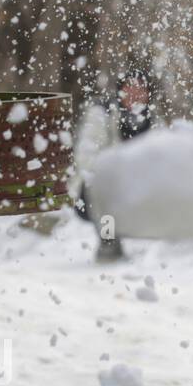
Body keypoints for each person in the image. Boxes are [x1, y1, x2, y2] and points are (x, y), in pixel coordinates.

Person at [73, 68, 154, 262]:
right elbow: (86, 155)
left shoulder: (153, 119)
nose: (135, 95)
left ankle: (170, 247)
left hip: (141, 184)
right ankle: (108, 239)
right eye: (130, 89)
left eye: (141, 90)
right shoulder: (101, 114)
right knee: (107, 193)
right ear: (120, 91)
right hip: (100, 185)